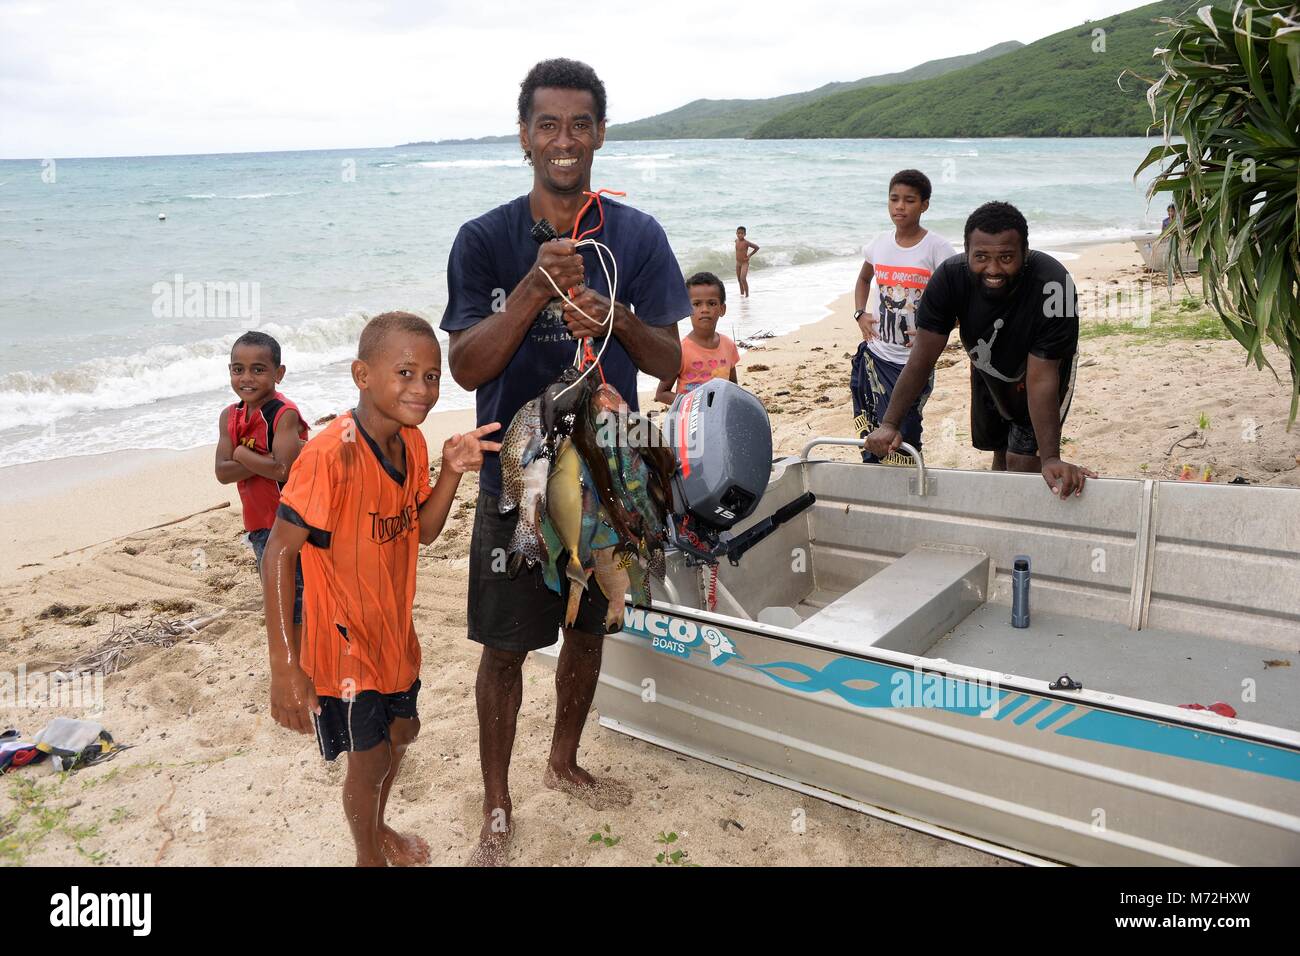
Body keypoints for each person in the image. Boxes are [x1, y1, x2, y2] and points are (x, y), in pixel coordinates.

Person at [440, 58, 688, 866]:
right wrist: (531, 292)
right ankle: (499, 805)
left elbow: (670, 364)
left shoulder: (638, 235)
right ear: (523, 137)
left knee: (588, 629)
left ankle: (564, 758)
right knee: (505, 645)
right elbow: (468, 367)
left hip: (609, 469)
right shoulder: (484, 239)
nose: (564, 140)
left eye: (580, 124)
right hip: (518, 472)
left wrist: (609, 316)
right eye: (547, 124)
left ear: (601, 135)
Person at [260, 311, 499, 867]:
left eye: (433, 377)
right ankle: (370, 857)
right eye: (406, 373)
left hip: (391, 629)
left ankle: (380, 825)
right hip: (340, 641)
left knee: (403, 732)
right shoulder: (330, 454)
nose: (422, 389)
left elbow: (423, 531)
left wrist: (452, 473)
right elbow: (278, 552)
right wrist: (285, 665)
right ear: (362, 375)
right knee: (367, 762)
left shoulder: (412, 443)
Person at [865, 201, 1095, 499]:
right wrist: (890, 423)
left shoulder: (1055, 284)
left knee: (1023, 463)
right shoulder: (949, 278)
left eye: (1007, 257)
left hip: (1043, 371)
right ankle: (1001, 516)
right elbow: (922, 358)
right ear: (966, 252)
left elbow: (1042, 378)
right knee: (999, 451)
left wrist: (1050, 457)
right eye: (981, 257)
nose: (994, 269)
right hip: (989, 368)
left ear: (1025, 253)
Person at [850, 169, 956, 463]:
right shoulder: (880, 244)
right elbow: (863, 280)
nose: (899, 206)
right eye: (894, 199)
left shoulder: (937, 248)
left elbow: (960, 302)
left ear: (924, 205)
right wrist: (860, 313)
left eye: (909, 200)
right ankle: (876, 481)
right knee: (873, 432)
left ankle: (908, 483)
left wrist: (934, 330)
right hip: (876, 357)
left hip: (914, 362)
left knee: (906, 430)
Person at [214, 330, 309, 626]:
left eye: (258, 370)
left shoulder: (284, 414)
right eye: (238, 369)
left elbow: (284, 469)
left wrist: (241, 455)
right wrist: (259, 461)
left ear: (278, 373)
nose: (247, 378)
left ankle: (306, 662)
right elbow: (221, 472)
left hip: (294, 522)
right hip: (259, 527)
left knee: (300, 599)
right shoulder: (230, 416)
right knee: (276, 597)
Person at [655, 271, 739, 404]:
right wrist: (694, 403)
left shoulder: (728, 346)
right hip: (689, 420)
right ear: (687, 308)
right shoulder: (680, 351)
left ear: (722, 309)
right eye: (697, 304)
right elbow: (661, 394)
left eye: (711, 303)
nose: (704, 309)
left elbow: (734, 388)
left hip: (719, 418)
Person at [734, 226, 759, 296]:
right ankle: (742, 294)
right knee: (739, 280)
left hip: (744, 263)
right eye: (738, 233)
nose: (740, 235)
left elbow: (757, 247)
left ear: (745, 234)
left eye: (742, 233)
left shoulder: (746, 243)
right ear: (736, 233)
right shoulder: (736, 241)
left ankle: (747, 295)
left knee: (743, 278)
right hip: (738, 263)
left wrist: (749, 255)